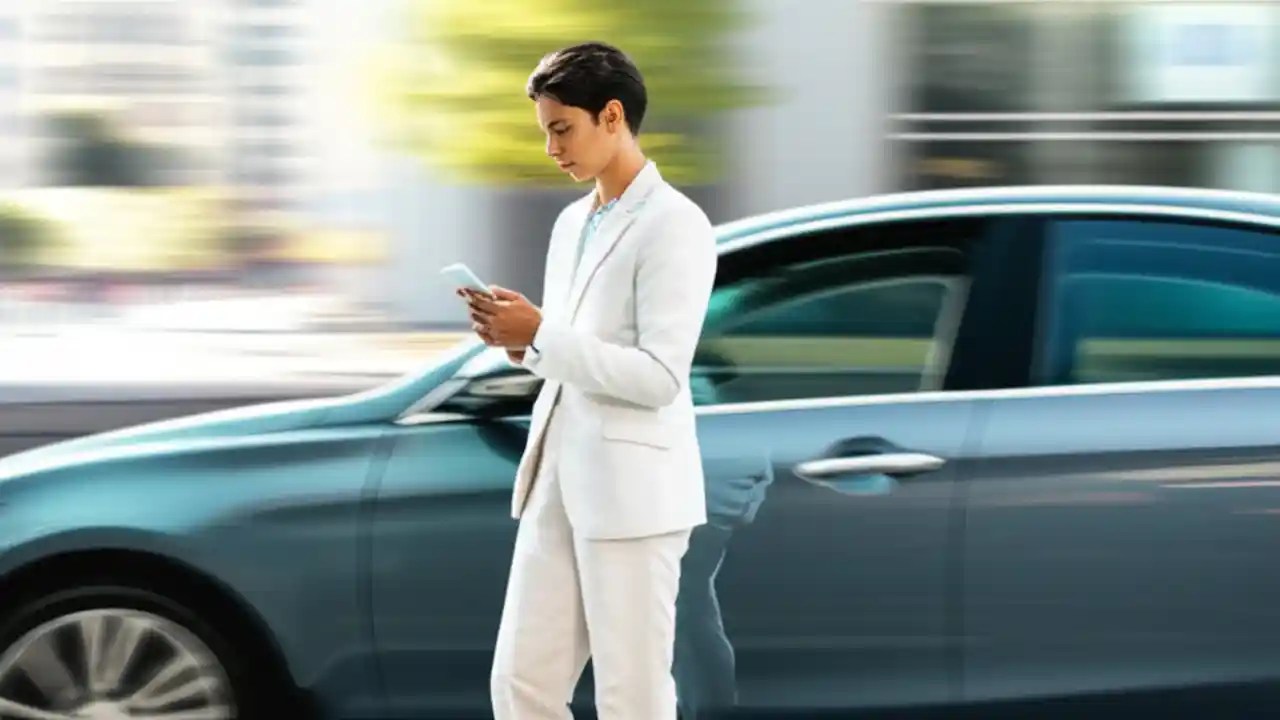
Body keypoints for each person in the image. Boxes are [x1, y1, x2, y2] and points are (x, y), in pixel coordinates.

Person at [460, 41, 718, 720]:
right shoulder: (571, 222)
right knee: (521, 686)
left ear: (611, 116)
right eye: (544, 131)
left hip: (633, 495)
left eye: (560, 128)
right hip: (556, 482)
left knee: (632, 698)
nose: (551, 149)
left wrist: (540, 335)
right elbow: (571, 350)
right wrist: (519, 343)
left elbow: (660, 376)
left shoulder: (676, 226)